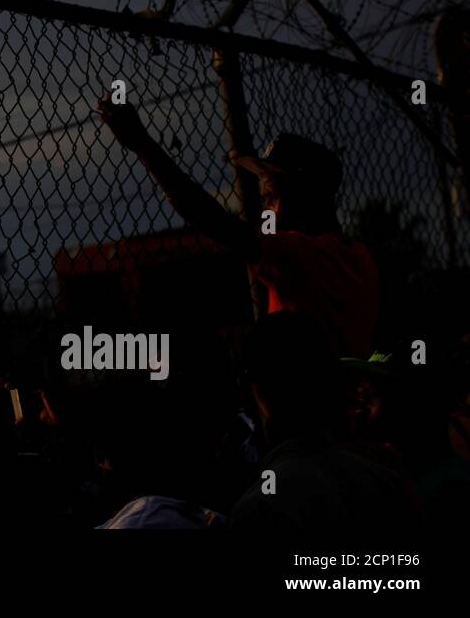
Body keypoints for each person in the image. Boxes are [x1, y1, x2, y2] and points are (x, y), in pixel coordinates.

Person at [98, 100, 379, 357]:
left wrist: (142, 144)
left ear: (306, 197)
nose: (266, 212)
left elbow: (215, 222)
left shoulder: (301, 254)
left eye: (271, 198)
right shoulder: (360, 258)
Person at [230, 313, 420, 532]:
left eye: (372, 394)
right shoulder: (389, 480)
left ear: (256, 390)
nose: (361, 406)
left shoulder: (261, 509)